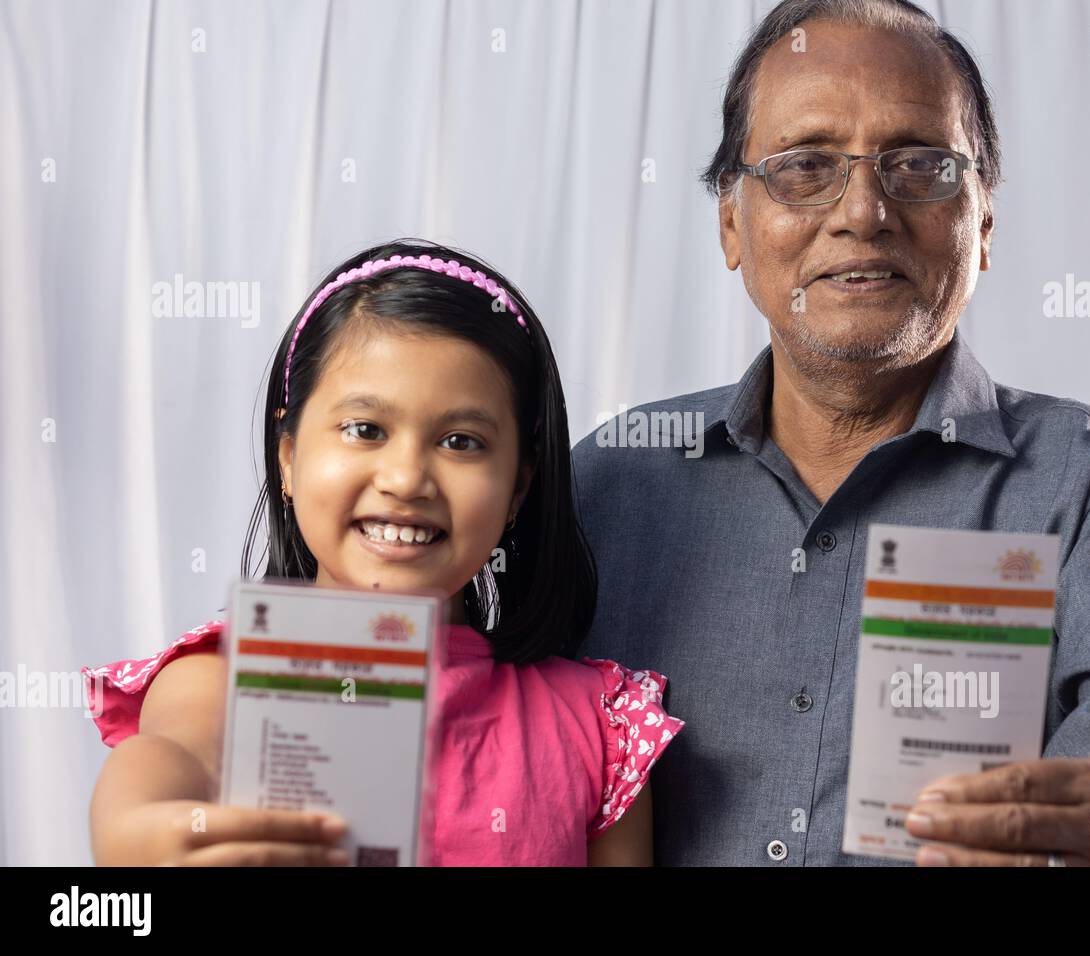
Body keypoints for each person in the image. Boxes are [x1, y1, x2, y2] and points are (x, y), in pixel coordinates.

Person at [571, 0, 1090, 866]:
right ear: (731, 223)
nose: (862, 210)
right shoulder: (607, 482)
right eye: (804, 166)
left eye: (919, 165)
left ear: (981, 223)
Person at [83, 239, 683, 866]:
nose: (405, 478)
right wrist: (139, 829)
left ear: (518, 488)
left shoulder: (600, 725)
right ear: (289, 456)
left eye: (461, 441)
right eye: (365, 430)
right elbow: (164, 763)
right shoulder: (220, 681)